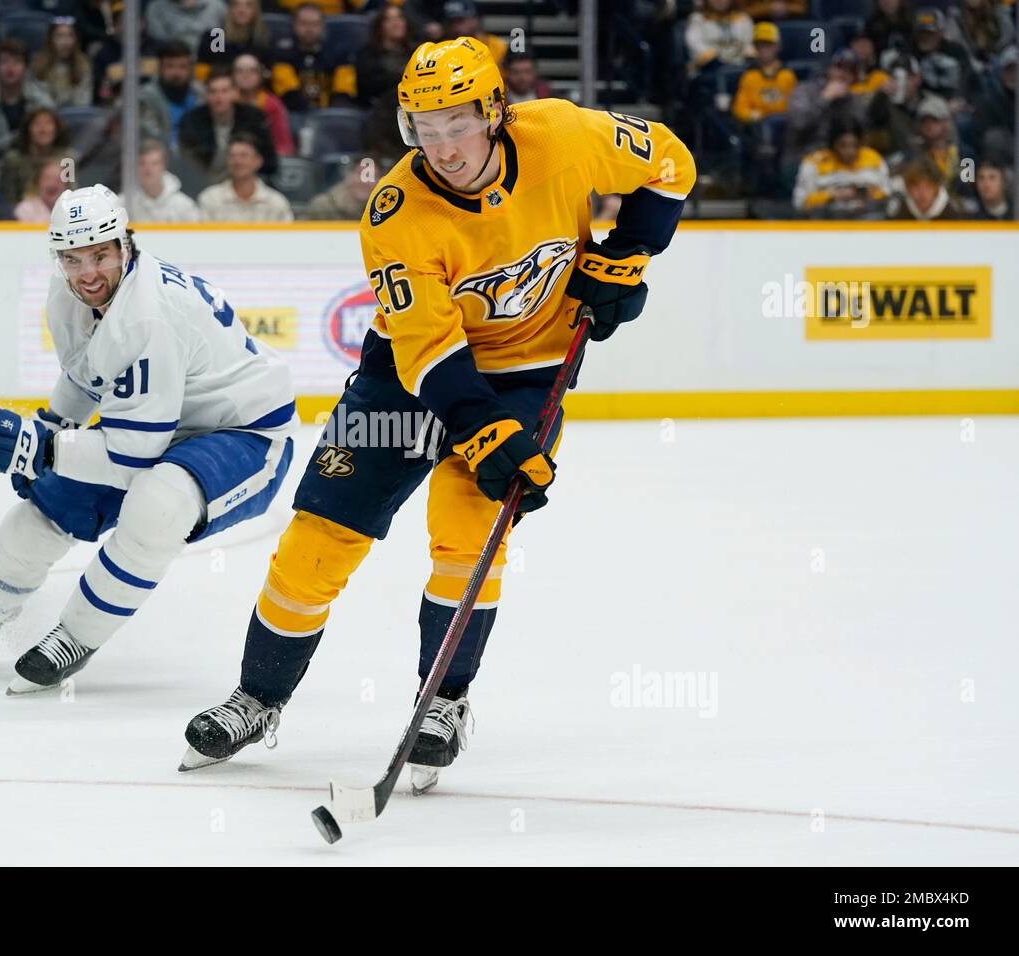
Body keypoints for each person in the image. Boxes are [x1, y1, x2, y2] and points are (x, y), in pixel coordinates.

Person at [180, 37, 695, 789]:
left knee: (466, 533)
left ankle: (443, 702)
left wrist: (627, 253)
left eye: (457, 122)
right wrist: (483, 432)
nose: (443, 145)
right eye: (425, 126)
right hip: (407, 381)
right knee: (319, 536)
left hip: (528, 370)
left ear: (494, 112)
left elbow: (670, 161)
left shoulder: (564, 135)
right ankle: (258, 695)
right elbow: (428, 350)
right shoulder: (394, 214)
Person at [0, 184, 298, 698]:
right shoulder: (71, 295)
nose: (89, 273)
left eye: (101, 254)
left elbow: (132, 456)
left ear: (127, 245)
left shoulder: (147, 315)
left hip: (246, 434)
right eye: (73, 260)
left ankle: (76, 636)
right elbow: (85, 375)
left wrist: (33, 446)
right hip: (162, 421)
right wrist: (49, 430)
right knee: (47, 506)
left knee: (158, 503)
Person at [179, 71, 277, 182]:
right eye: (213, 92)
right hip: (203, 183)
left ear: (235, 92)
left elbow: (269, 160)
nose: (219, 98)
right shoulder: (192, 120)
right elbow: (186, 164)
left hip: (245, 181)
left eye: (224, 91)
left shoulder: (253, 118)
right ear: (206, 95)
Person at [0, 38, 55, 161]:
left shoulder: (41, 100)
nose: (10, 68)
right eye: (5, 62)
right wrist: (18, 138)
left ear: (26, 68)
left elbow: (50, 139)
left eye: (17, 62)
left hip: (35, 161)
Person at [792, 118, 890, 216]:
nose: (850, 151)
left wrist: (871, 194)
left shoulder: (874, 158)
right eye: (843, 145)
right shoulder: (814, 163)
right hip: (827, 223)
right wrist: (832, 195)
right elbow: (800, 203)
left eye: (855, 145)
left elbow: (889, 197)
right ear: (833, 144)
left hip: (870, 222)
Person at [271, 2, 357, 112]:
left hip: (329, 116)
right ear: (294, 25)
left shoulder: (339, 54)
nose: (309, 29)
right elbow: (288, 93)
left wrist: (331, 115)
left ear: (323, 26)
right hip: (296, 115)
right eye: (304, 23)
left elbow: (344, 92)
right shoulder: (282, 54)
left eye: (315, 24)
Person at [197, 132, 293, 221]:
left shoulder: (277, 202)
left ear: (258, 161)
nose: (237, 161)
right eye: (232, 156)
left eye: (244, 156)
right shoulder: (210, 198)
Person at [0, 105, 71, 205]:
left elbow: (72, 194)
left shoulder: (67, 158)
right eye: (37, 124)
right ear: (27, 129)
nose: (43, 129)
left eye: (48, 123)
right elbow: (7, 199)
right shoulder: (13, 160)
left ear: (56, 129)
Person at [139, 40, 202, 149]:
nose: (176, 73)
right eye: (170, 66)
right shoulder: (145, 97)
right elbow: (151, 137)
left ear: (190, 69)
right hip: (160, 158)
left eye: (182, 67)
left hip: (197, 158)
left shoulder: (201, 94)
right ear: (160, 68)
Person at [119, 138, 201, 221]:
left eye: (154, 163)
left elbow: (198, 232)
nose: (148, 169)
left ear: (164, 166)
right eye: (142, 163)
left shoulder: (184, 205)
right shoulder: (123, 204)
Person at [732, 22, 796, 124]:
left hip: (785, 124)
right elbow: (740, 107)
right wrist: (754, 116)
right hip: (759, 126)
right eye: (760, 46)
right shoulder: (749, 76)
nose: (764, 50)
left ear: (778, 46)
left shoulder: (787, 75)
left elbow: (795, 105)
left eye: (768, 45)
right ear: (755, 48)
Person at [231, 53, 294, 157]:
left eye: (252, 71)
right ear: (232, 75)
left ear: (260, 75)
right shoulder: (227, 100)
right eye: (239, 71)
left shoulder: (272, 104)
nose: (245, 75)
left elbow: (284, 145)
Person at [195, 0, 271, 84]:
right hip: (221, 92)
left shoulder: (264, 39)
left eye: (248, 5)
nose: (242, 10)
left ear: (256, 10)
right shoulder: (215, 38)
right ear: (229, 9)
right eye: (236, 5)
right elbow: (202, 75)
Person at [33, 16, 93, 108]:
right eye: (59, 36)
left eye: (70, 36)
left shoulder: (84, 65)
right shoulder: (37, 64)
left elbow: (83, 102)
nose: (65, 42)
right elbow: (37, 98)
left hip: (73, 118)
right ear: (50, 39)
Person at [886, 155, 967, 219]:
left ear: (937, 188)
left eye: (927, 187)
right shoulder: (898, 214)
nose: (922, 193)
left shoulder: (956, 215)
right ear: (907, 188)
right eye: (916, 187)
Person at [304, 153, 377, 219]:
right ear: (348, 175)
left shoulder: (380, 210)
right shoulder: (322, 206)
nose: (365, 181)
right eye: (360, 174)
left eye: (372, 176)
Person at [145, 0, 226, 52]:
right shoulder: (156, 8)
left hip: (210, 64)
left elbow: (224, 44)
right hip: (172, 62)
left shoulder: (217, 6)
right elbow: (159, 44)